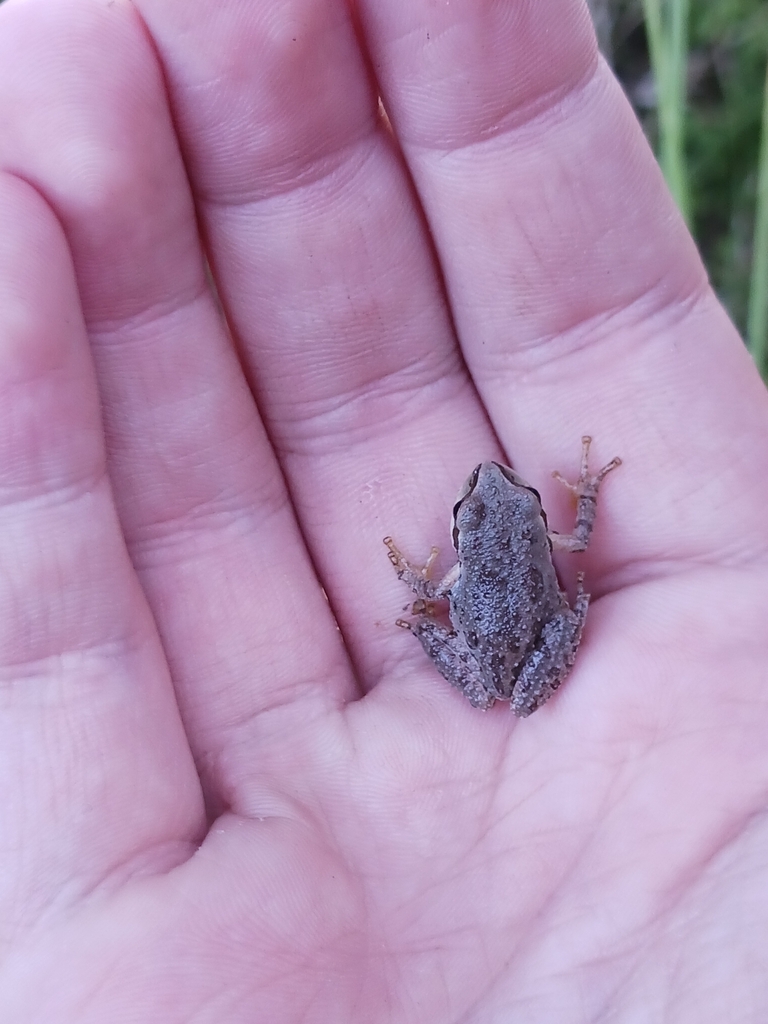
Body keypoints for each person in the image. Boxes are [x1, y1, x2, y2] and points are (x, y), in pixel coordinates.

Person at [0, 0, 766, 1020]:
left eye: (492, 501)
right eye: (486, 502)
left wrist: (423, 593)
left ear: (481, 524)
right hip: (524, 643)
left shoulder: (488, 552)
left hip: (494, 644)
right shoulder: (550, 531)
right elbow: (575, 539)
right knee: (481, 637)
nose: (493, 494)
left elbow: (466, 581)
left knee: (441, 632)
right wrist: (571, 514)